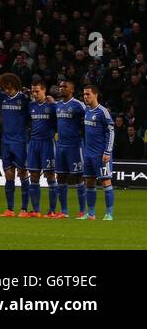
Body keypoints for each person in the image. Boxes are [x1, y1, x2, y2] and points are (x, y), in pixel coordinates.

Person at [0, 73, 30, 216]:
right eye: (5, 88)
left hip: (20, 141)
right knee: (8, 174)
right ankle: (10, 209)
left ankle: (24, 209)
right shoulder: (1, 98)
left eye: (9, 88)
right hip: (6, 141)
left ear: (16, 86)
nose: (7, 91)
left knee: (22, 173)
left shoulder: (23, 100)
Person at [80, 84, 114, 221]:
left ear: (95, 95)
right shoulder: (87, 110)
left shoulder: (103, 112)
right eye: (84, 94)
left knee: (106, 182)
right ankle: (91, 214)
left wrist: (107, 151)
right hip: (88, 154)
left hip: (101, 155)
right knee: (89, 182)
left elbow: (111, 132)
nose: (85, 97)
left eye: (88, 94)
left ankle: (109, 214)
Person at [26, 77, 59, 218]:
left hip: (48, 143)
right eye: (33, 91)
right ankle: (36, 210)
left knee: (50, 175)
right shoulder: (30, 106)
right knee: (33, 175)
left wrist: (55, 103)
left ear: (44, 90)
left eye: (37, 91)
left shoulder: (52, 106)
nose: (34, 94)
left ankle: (51, 211)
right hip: (33, 143)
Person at [53, 76, 85, 218]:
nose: (61, 88)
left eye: (65, 86)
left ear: (72, 89)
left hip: (74, 146)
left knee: (78, 177)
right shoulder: (58, 105)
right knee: (60, 177)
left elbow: (89, 117)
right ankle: (64, 211)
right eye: (60, 86)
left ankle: (83, 211)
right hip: (60, 147)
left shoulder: (78, 105)